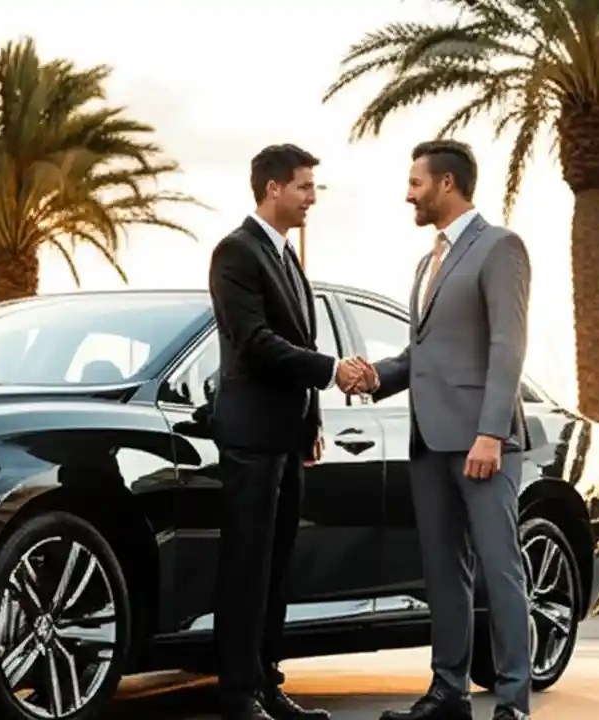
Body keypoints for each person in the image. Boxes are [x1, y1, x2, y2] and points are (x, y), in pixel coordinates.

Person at [353, 139, 533, 720]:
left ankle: (512, 703)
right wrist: (370, 376)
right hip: (428, 442)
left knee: (501, 571)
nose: (408, 193)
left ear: (447, 184)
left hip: (482, 443)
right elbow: (422, 355)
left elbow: (508, 346)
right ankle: (447, 692)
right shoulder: (426, 262)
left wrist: (490, 434)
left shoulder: (499, 248)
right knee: (443, 573)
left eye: (415, 183)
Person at [207, 143, 369, 720]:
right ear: (272, 189)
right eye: (303, 187)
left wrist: (312, 421)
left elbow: (299, 340)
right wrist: (331, 372)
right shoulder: (235, 253)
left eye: (313, 188)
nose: (311, 199)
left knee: (277, 567)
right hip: (249, 439)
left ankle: (267, 684)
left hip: (287, 438)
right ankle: (236, 693)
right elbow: (254, 343)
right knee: (246, 568)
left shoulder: (289, 259)